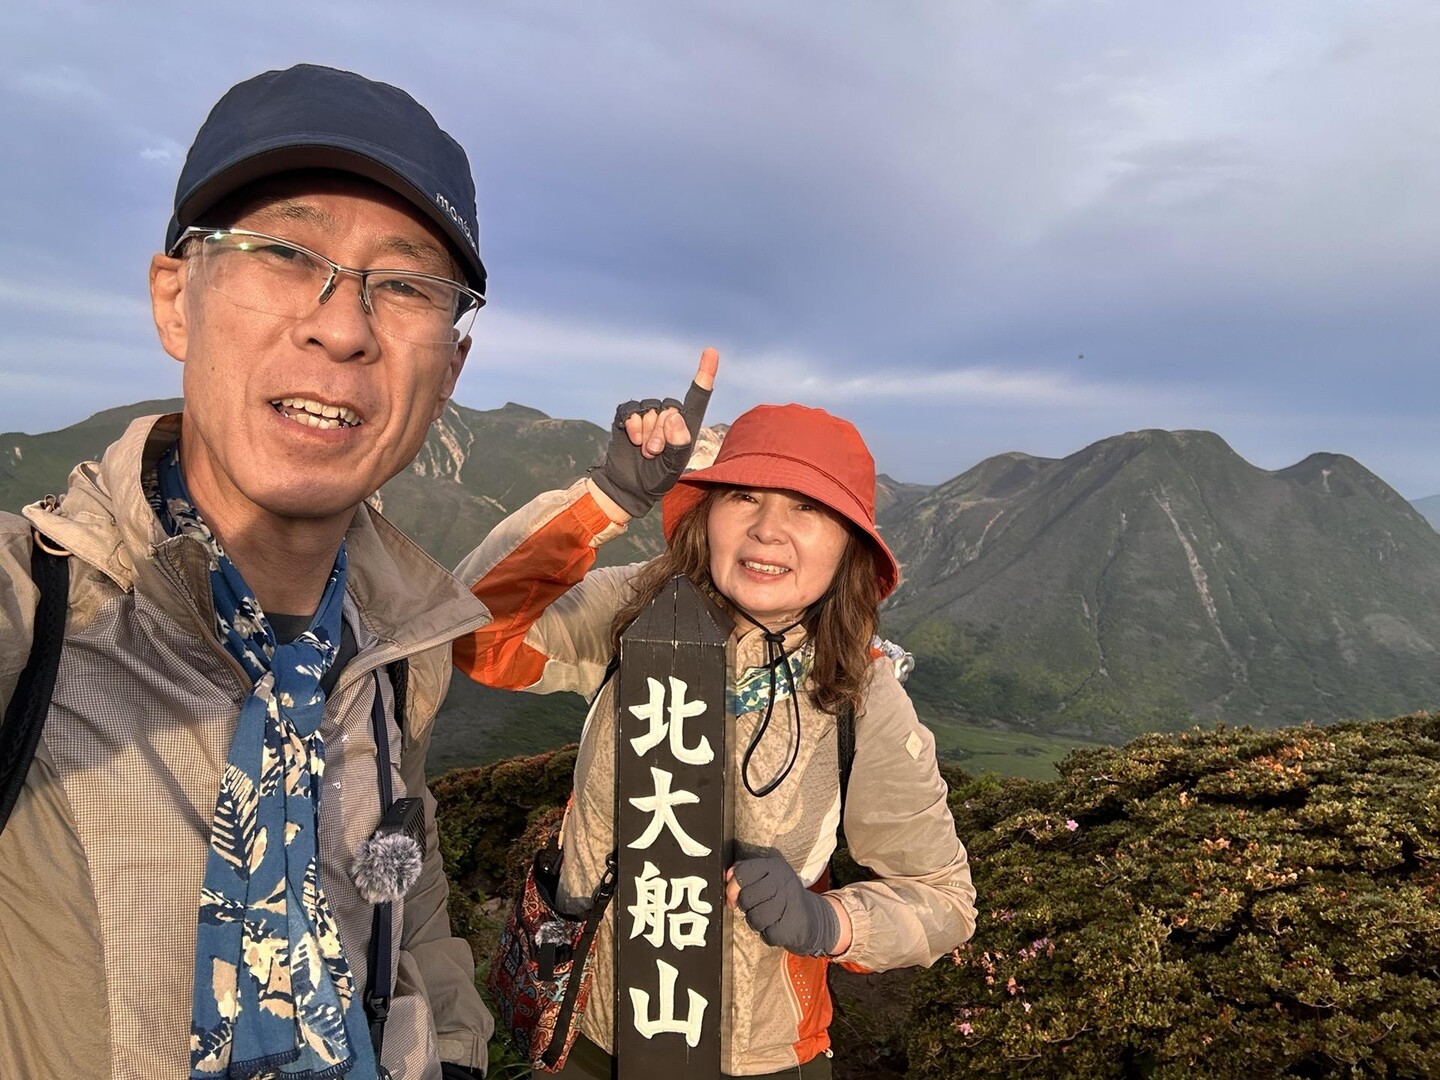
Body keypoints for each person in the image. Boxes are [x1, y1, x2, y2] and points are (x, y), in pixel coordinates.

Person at [0, 65, 495, 1079]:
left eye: (403, 285)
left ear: (448, 371)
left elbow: (410, 895)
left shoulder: (397, 651)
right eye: (285, 252)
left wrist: (451, 1053)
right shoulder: (34, 620)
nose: (342, 326)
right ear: (176, 298)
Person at [453, 356, 976, 1078]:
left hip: (759, 1058)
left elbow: (944, 899)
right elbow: (472, 635)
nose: (768, 530)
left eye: (808, 508)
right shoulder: (637, 609)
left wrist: (830, 922)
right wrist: (603, 499)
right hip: (591, 1032)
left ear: (847, 546)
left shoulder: (860, 686)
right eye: (744, 497)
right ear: (708, 514)